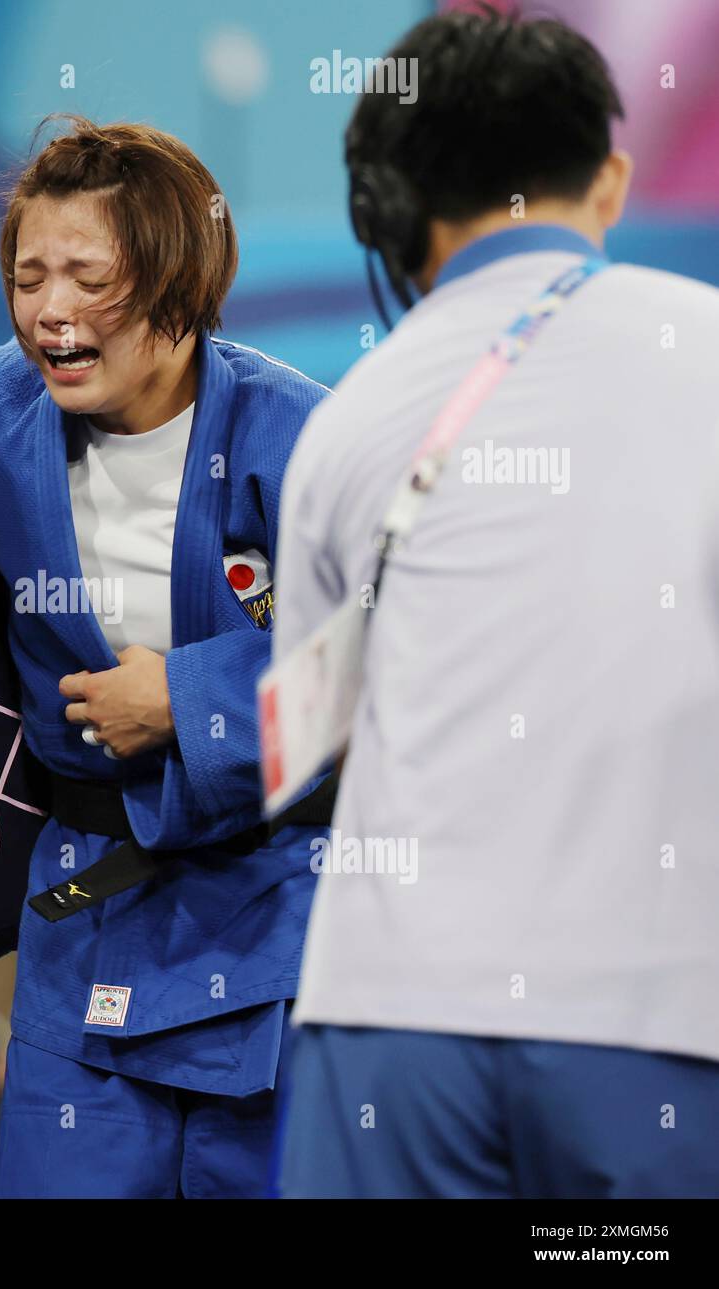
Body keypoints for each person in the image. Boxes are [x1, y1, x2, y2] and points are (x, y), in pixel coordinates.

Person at [271, 8, 719, 1198]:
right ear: (612, 178)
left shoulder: (349, 419)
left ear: (388, 208)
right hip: (662, 1021)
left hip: (389, 1028)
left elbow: (311, 740)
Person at [0, 117, 333, 1199]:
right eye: (30, 276)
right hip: (86, 921)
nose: (50, 310)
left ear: (178, 279)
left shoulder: (299, 438)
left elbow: (396, 650)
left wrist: (185, 697)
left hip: (272, 919)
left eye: (88, 276)